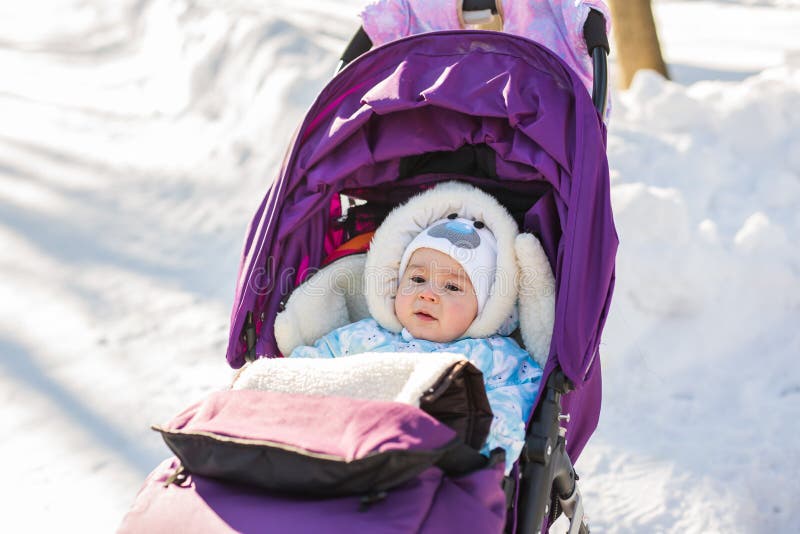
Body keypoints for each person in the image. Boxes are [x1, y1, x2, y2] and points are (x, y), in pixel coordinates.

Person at [287, 182, 547, 473]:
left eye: (451, 286)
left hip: (429, 461)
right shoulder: (365, 336)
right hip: (343, 445)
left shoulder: (493, 355)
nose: (427, 294)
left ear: (486, 308)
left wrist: (483, 440)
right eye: (418, 280)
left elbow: (523, 394)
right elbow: (311, 367)